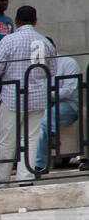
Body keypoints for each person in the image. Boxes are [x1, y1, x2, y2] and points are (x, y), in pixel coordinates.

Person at [0, 6, 56, 186]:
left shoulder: (8, 41)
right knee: (31, 138)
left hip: (12, 96)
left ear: (16, 21)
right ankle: (26, 177)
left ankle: (0, 180)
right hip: (37, 97)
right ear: (35, 21)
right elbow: (53, 70)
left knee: (7, 139)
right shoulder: (45, 42)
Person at [34, 43, 82, 171]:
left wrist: (46, 94)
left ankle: (39, 164)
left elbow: (69, 90)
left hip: (68, 105)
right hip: (45, 103)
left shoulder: (67, 62)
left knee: (45, 120)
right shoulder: (37, 67)